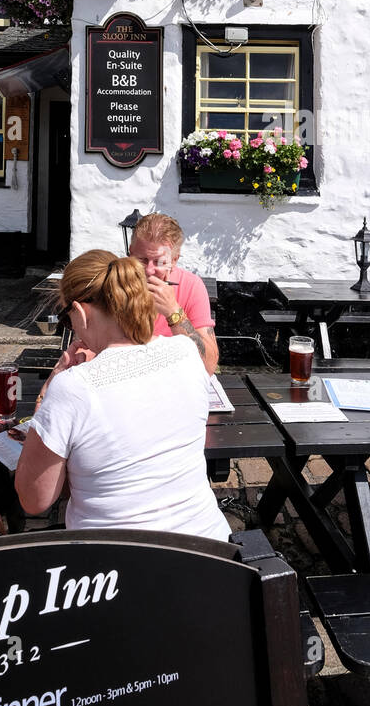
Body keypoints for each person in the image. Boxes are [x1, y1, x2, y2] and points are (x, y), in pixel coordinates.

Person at [15, 249, 229, 542]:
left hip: (114, 571)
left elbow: (34, 499)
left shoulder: (73, 388)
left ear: (79, 312)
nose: (72, 329)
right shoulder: (187, 353)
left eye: (67, 320)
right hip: (208, 548)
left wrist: (51, 387)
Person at [128, 213, 219, 375]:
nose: (149, 271)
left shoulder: (191, 286)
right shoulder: (114, 283)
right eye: (141, 260)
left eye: (159, 262)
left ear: (174, 260)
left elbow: (209, 366)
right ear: (130, 253)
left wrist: (173, 312)